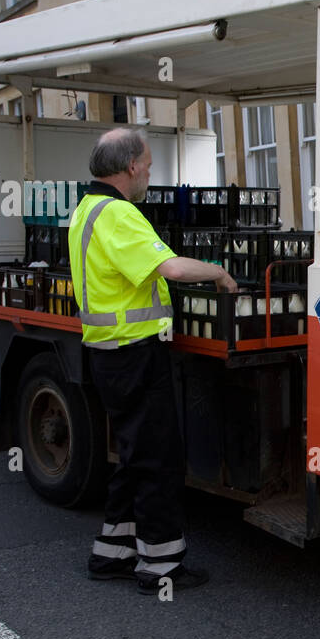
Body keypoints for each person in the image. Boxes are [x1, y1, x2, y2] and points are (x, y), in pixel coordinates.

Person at [68, 128, 237, 593]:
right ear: (129, 168)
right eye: (147, 164)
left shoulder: (86, 209)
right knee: (158, 460)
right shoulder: (119, 214)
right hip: (134, 354)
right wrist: (221, 273)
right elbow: (174, 268)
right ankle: (160, 566)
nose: (149, 172)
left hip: (108, 353)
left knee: (134, 455)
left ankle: (113, 553)